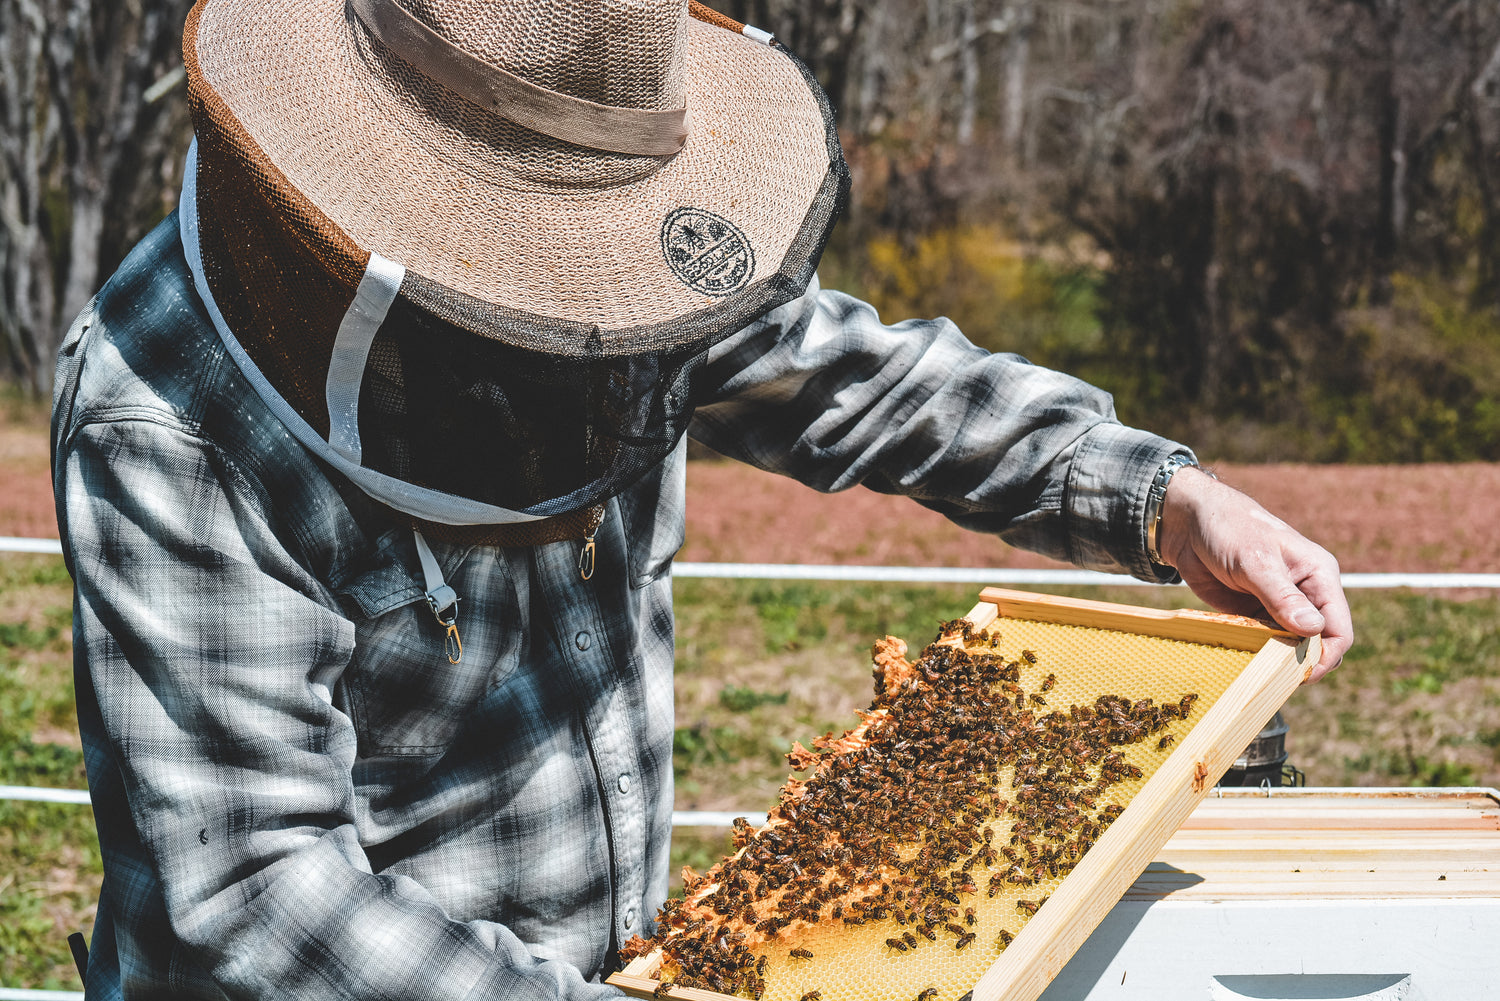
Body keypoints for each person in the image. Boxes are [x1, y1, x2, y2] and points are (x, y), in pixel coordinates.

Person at [51, 1, 1351, 998]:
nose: (581, 321)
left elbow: (856, 375)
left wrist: (1162, 499)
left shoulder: (612, 252)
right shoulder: (171, 407)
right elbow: (253, 898)